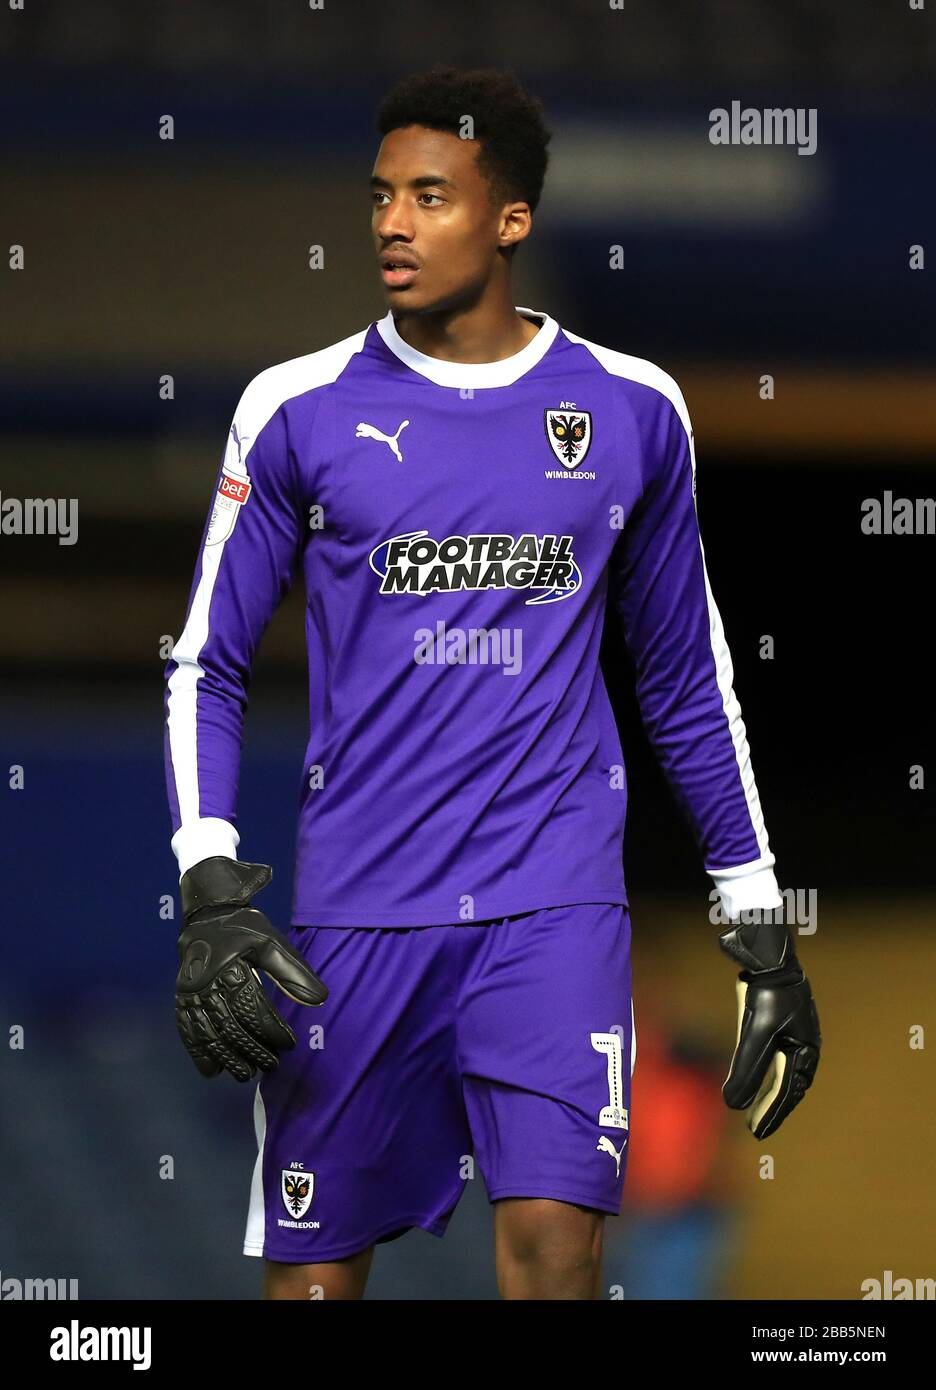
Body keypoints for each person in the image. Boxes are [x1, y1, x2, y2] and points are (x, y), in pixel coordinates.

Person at [164, 65, 820, 1301]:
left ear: (510, 218)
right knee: (313, 1285)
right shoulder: (294, 409)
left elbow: (686, 679)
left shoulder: (633, 410)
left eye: (429, 195)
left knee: (559, 1251)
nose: (391, 224)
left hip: (554, 906)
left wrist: (757, 919)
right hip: (356, 917)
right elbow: (206, 658)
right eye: (379, 197)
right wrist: (208, 875)